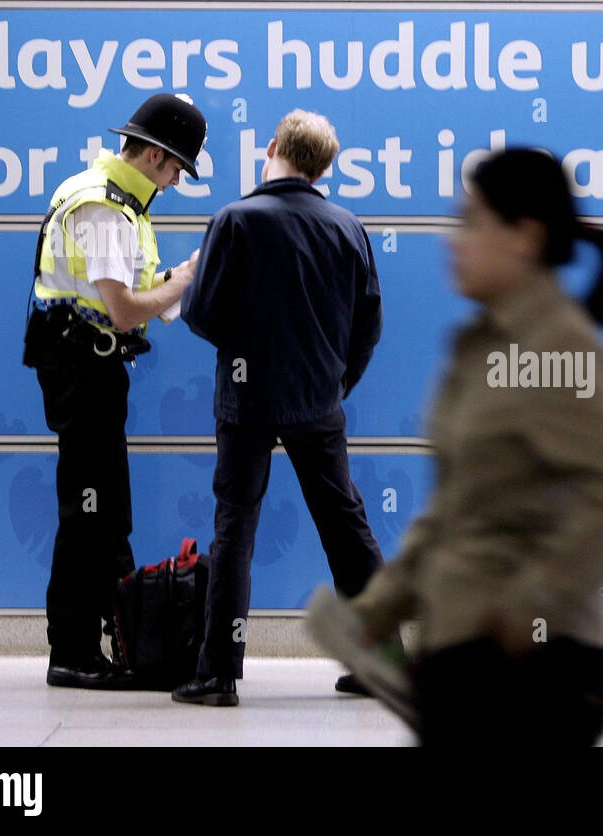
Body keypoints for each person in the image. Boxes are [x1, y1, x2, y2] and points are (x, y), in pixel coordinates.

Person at [305, 148, 603, 745]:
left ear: (524, 237)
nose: (452, 240)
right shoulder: (479, 346)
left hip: (534, 670)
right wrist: (377, 610)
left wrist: (529, 608)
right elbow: (454, 509)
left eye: (471, 221)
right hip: (461, 654)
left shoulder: (557, 346)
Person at [173, 110, 388, 706]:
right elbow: (368, 325)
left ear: (271, 148)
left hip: (246, 400)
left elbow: (200, 313)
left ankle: (217, 675)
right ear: (324, 167)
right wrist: (334, 382)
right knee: (347, 527)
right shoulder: (348, 227)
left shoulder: (235, 219)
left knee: (235, 528)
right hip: (319, 401)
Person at [23, 92, 206, 689]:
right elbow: (124, 310)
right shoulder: (105, 208)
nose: (177, 181)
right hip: (83, 369)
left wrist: (173, 282)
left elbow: (127, 293)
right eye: (178, 168)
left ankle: (122, 643)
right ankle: (71, 652)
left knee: (106, 513)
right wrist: (181, 282)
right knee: (89, 513)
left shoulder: (116, 197)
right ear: (155, 155)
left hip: (91, 370)